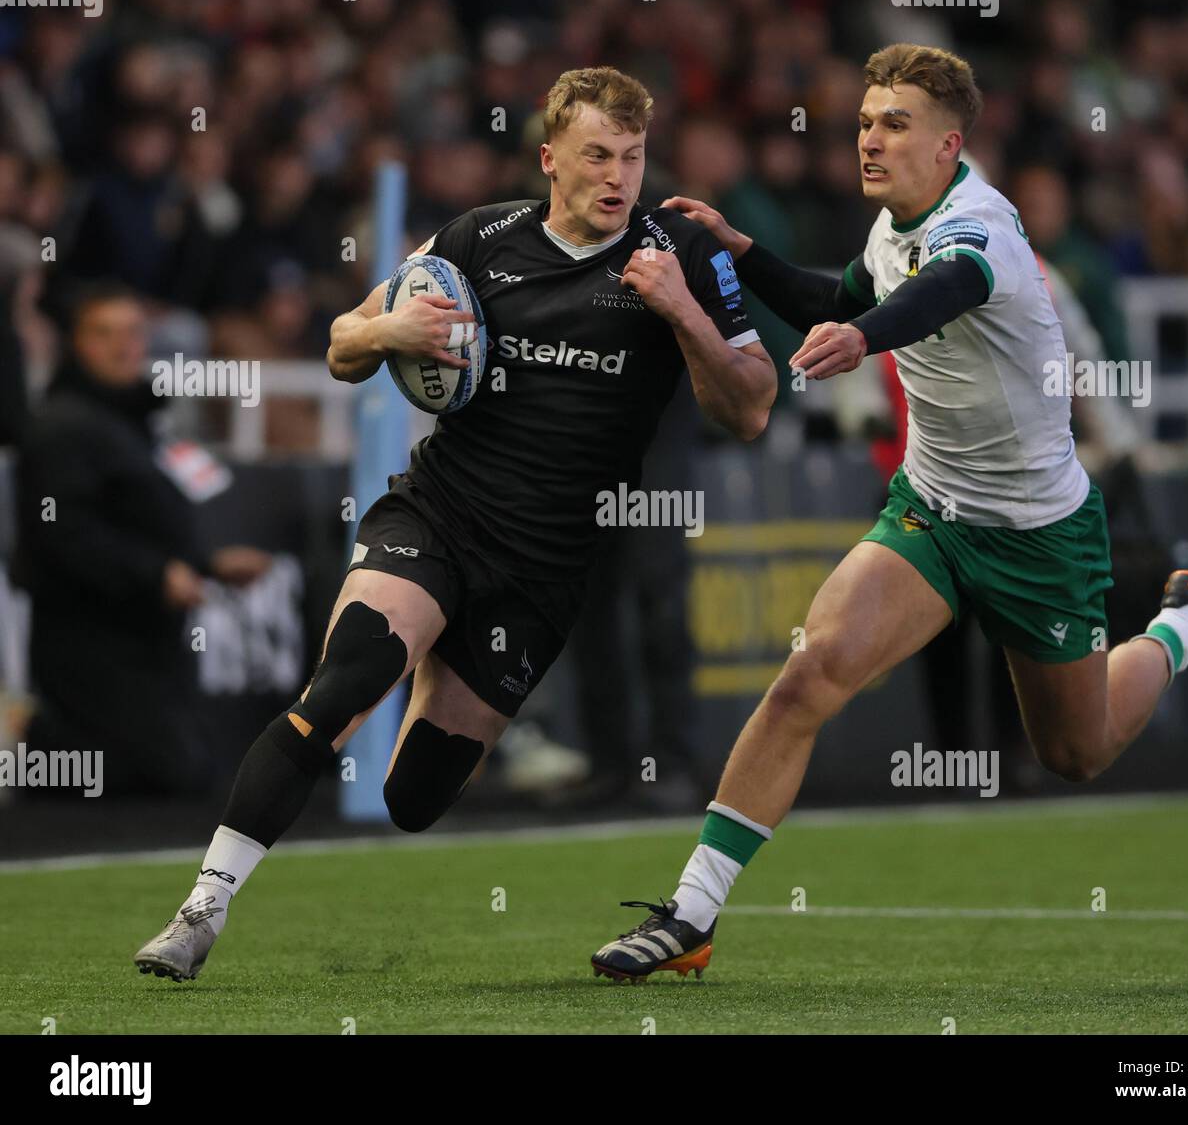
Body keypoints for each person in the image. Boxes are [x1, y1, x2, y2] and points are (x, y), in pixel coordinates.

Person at [591, 43, 1188, 982]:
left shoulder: (981, 227)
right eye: (864, 121)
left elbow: (944, 293)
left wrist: (862, 336)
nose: (869, 138)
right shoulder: (893, 227)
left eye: (894, 123)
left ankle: (1183, 621)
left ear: (948, 145)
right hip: (931, 511)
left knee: (1077, 750)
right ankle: (692, 910)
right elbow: (843, 294)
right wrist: (743, 252)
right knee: (806, 676)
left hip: (1036, 532)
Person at [133, 66, 776, 981]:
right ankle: (201, 909)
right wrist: (389, 333)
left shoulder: (682, 253)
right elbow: (341, 344)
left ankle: (436, 648)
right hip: (441, 513)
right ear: (550, 158)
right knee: (347, 681)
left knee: (414, 797)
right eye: (597, 154)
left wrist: (681, 312)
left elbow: (750, 407)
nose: (617, 177)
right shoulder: (481, 238)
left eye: (633, 157)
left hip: (544, 569)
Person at [15, 285, 271, 798]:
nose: (122, 345)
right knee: (161, 775)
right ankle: (37, 747)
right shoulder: (64, 428)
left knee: (190, 768)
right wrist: (154, 574)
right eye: (103, 333)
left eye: (133, 332)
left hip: (149, 641)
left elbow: (137, 524)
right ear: (76, 344)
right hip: (90, 638)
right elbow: (64, 535)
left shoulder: (133, 424)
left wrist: (207, 565)